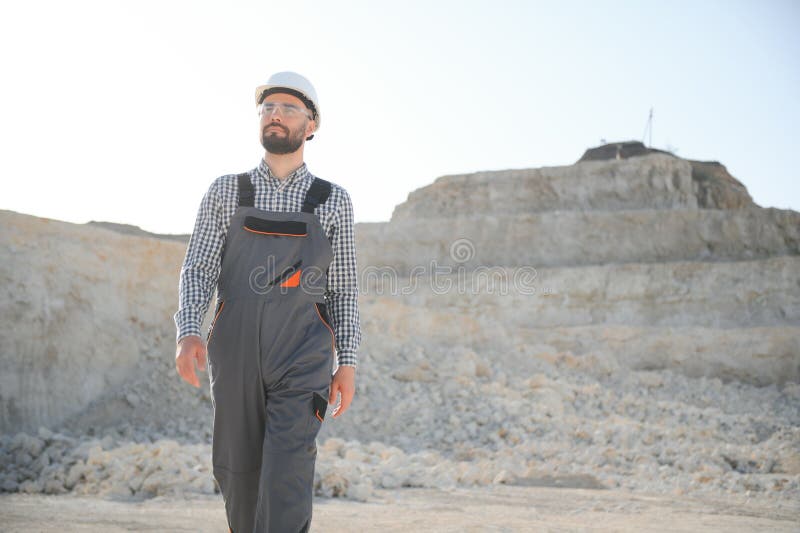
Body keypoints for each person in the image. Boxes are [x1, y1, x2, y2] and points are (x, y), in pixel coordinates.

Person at [173, 71, 361, 532]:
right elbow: (198, 267)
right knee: (238, 475)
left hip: (302, 356)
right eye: (268, 108)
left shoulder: (332, 201)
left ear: (311, 125)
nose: (275, 115)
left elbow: (343, 289)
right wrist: (189, 331)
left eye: (288, 109)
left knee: (287, 476)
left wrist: (349, 362)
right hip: (235, 354)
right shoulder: (226, 191)